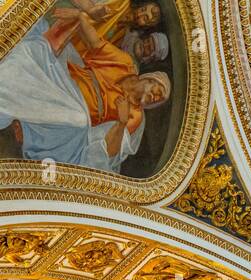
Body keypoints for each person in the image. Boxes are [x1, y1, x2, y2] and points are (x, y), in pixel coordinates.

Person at [0, 13, 170, 172]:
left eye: (159, 99)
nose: (157, 97)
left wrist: (122, 122)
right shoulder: (125, 64)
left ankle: (26, 122)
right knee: (35, 49)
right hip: (67, 77)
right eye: (158, 90)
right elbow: (95, 42)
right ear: (149, 79)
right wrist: (81, 16)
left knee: (79, 118)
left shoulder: (135, 116)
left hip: (76, 111)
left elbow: (109, 152)